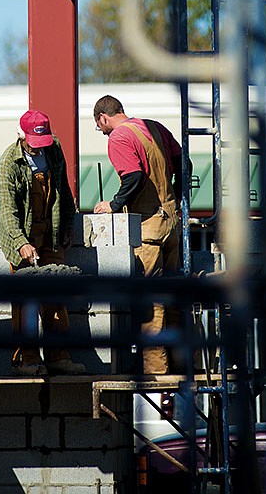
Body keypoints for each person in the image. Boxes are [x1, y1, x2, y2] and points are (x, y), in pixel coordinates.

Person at [93, 94, 184, 374]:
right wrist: (175, 199)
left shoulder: (119, 137)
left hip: (148, 229)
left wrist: (114, 204)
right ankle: (182, 362)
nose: (103, 131)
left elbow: (134, 176)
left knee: (150, 300)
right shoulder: (153, 127)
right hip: (172, 224)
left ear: (103, 118)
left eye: (100, 127)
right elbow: (184, 164)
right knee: (174, 296)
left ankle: (155, 368)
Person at [0, 109, 86, 377]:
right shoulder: (9, 164)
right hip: (21, 237)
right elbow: (8, 211)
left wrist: (68, 224)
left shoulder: (54, 148)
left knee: (55, 296)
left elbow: (63, 188)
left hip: (51, 234)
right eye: (34, 144)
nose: (39, 149)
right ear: (21, 136)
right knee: (26, 302)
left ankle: (58, 356)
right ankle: (26, 359)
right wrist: (21, 242)